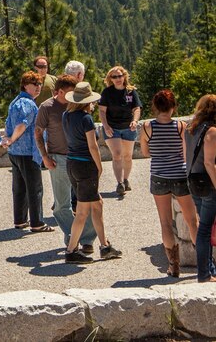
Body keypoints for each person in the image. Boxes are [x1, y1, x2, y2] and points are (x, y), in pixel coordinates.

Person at [61, 82, 122, 264]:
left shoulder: (66, 115)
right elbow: (93, 146)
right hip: (86, 165)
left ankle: (105, 246)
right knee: (82, 211)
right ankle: (71, 250)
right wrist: (99, 166)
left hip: (72, 163)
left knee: (97, 204)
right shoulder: (86, 119)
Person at [139, 90, 197, 277]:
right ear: (173, 107)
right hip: (179, 175)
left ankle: (173, 264)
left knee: (165, 222)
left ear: (155, 107)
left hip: (159, 176)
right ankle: (205, 263)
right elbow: (185, 153)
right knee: (192, 220)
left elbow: (146, 152)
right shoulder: (181, 126)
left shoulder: (148, 127)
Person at [34, 75, 96, 254]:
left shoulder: (79, 104)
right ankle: (73, 236)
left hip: (81, 158)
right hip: (58, 158)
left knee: (87, 202)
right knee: (62, 205)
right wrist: (44, 156)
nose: (72, 96)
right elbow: (38, 133)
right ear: (59, 92)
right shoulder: (46, 107)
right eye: (69, 92)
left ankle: (86, 240)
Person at [3, 72, 50, 232]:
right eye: (34, 84)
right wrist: (11, 139)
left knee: (19, 187)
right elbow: (22, 125)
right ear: (25, 85)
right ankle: (37, 223)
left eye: (39, 84)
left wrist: (8, 139)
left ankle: (20, 220)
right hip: (28, 152)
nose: (38, 87)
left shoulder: (16, 101)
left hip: (15, 152)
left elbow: (9, 123)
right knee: (34, 188)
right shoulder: (28, 104)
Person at [98, 66, 142, 197]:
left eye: (119, 76)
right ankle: (120, 183)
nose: (117, 79)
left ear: (124, 76)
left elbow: (137, 108)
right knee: (117, 154)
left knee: (127, 156)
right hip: (112, 128)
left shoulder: (131, 92)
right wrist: (105, 126)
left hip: (128, 127)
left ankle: (126, 179)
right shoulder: (107, 92)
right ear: (110, 79)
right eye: (114, 77)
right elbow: (101, 111)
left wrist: (135, 121)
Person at [186, 94, 216, 283]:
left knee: (202, 228)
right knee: (205, 230)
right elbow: (209, 163)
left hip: (193, 181)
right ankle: (204, 275)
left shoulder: (190, 128)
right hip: (208, 184)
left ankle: (209, 269)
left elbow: (186, 157)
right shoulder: (212, 131)